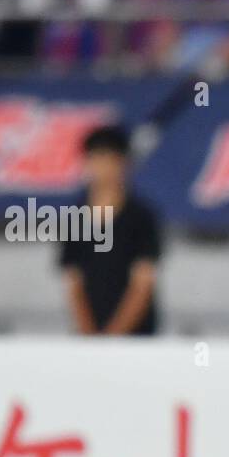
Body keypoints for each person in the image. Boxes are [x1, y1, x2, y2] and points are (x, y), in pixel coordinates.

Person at [59, 125, 163, 336]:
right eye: (95, 159)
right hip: (88, 338)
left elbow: (142, 283)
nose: (101, 167)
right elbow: (74, 281)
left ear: (123, 163)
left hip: (136, 338)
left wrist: (114, 336)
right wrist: (89, 334)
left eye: (108, 159)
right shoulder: (75, 218)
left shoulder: (141, 218)